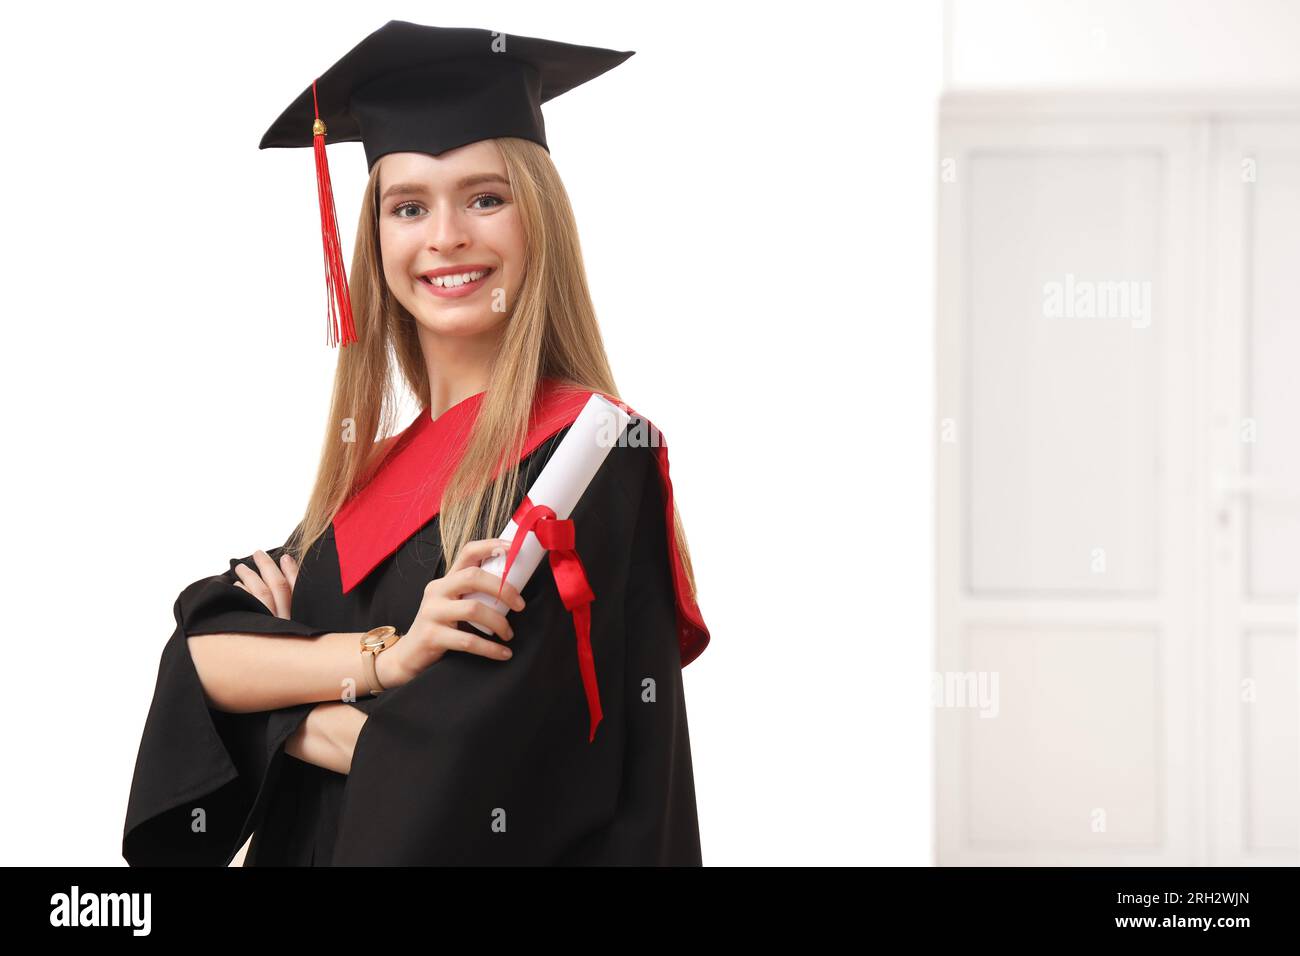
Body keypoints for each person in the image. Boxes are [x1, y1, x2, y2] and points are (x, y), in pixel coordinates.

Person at [122, 21, 710, 866]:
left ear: (536, 220)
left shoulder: (586, 458)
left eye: (484, 197)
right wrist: (388, 661)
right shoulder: (366, 477)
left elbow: (478, 772)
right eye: (408, 206)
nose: (445, 237)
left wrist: (285, 702)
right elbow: (200, 658)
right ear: (377, 238)